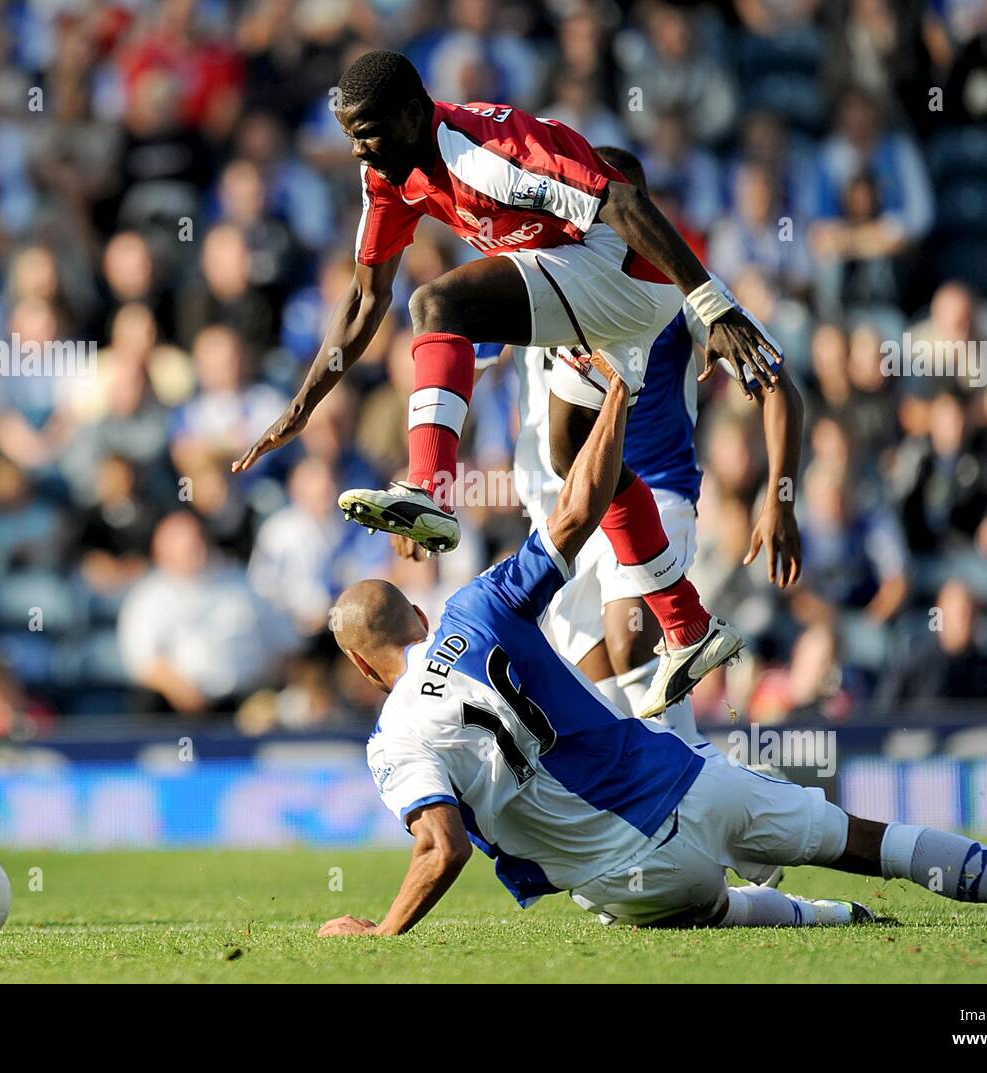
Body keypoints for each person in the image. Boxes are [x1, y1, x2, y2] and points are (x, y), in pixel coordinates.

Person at [319, 357, 987, 936]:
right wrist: (612, 399)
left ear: (361, 664)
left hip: (625, 880)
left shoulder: (393, 740)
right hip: (690, 787)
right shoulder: (477, 604)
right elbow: (573, 511)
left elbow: (441, 847)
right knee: (866, 840)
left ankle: (822, 918)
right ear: (418, 620)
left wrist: (384, 929)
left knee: (682, 905)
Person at [234, 50, 798, 717]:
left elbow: (620, 200)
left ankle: (428, 488)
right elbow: (363, 301)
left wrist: (708, 303)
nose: (359, 147)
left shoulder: (486, 152)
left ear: (415, 115)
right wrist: (302, 406)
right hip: (583, 348)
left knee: (436, 305)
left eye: (371, 131)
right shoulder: (387, 177)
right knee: (571, 454)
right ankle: (689, 624)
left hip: (632, 285)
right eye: (351, 134)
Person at [483, 144, 803, 738]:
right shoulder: (540, 273)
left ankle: (693, 802)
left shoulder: (682, 288)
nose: (610, 218)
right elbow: (462, 344)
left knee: (633, 640)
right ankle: (683, 794)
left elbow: (779, 387)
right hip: (565, 513)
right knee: (599, 699)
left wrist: (779, 496)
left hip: (654, 493)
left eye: (625, 206)